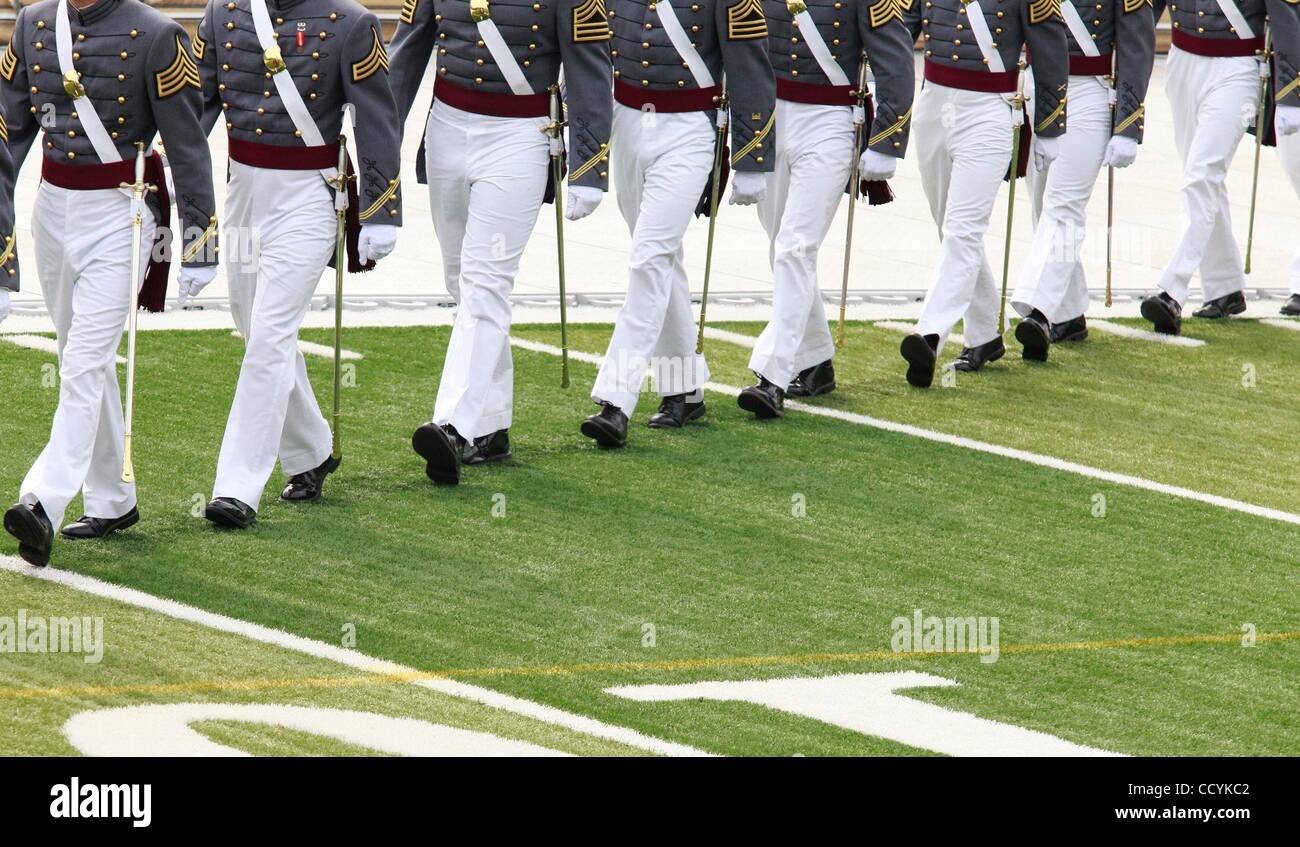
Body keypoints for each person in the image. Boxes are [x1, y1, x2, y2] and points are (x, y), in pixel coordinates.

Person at [1, 0, 218, 565]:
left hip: (123, 213)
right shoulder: (34, 23)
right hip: (52, 208)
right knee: (79, 355)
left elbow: (189, 142)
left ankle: (42, 501)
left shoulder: (159, 35)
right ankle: (113, 499)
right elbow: (9, 133)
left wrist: (199, 242)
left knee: (83, 363)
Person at [195, 0, 403, 529]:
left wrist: (382, 209)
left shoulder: (353, 22)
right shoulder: (224, 13)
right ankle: (312, 450)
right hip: (242, 188)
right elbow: (197, 110)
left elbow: (376, 115)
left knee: (269, 335)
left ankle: (237, 487)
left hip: (310, 195)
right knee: (252, 327)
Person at [389, 0, 613, 484]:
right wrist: (381, 152)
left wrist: (590, 166)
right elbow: (407, 55)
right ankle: (492, 428)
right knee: (461, 282)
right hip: (448, 127)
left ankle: (454, 425)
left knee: (485, 281)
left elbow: (589, 66)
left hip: (520, 136)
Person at [581, 0, 776, 447]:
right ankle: (683, 388)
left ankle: (616, 399)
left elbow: (750, 70)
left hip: (689, 129)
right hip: (626, 122)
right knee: (660, 260)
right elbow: (589, 56)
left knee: (648, 259)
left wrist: (750, 158)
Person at [734, 0, 915, 418]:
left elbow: (896, 61)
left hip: (831, 121)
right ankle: (815, 360)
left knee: (795, 248)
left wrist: (886, 140)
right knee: (778, 245)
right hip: (770, 119)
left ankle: (772, 375)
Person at [899, 0, 1069, 387]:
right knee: (948, 225)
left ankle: (930, 334)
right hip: (934, 100)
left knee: (963, 230)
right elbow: (899, 30)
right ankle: (986, 335)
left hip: (990, 109)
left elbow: (1050, 49)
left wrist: (1049, 125)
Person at [1141, 0, 1300, 334]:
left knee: (1202, 176)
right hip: (1182, 61)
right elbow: (1143, 13)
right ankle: (1223, 286)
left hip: (1238, 65)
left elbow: (1285, 14)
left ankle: (1173, 289)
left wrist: (1289, 92)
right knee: (1198, 176)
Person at [1010, 0, 1154, 361]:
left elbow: (1137, 46)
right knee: (1043, 203)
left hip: (1089, 88)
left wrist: (1128, 124)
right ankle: (1069, 313)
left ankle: (1039, 311)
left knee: (1064, 204)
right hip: (1039, 87)